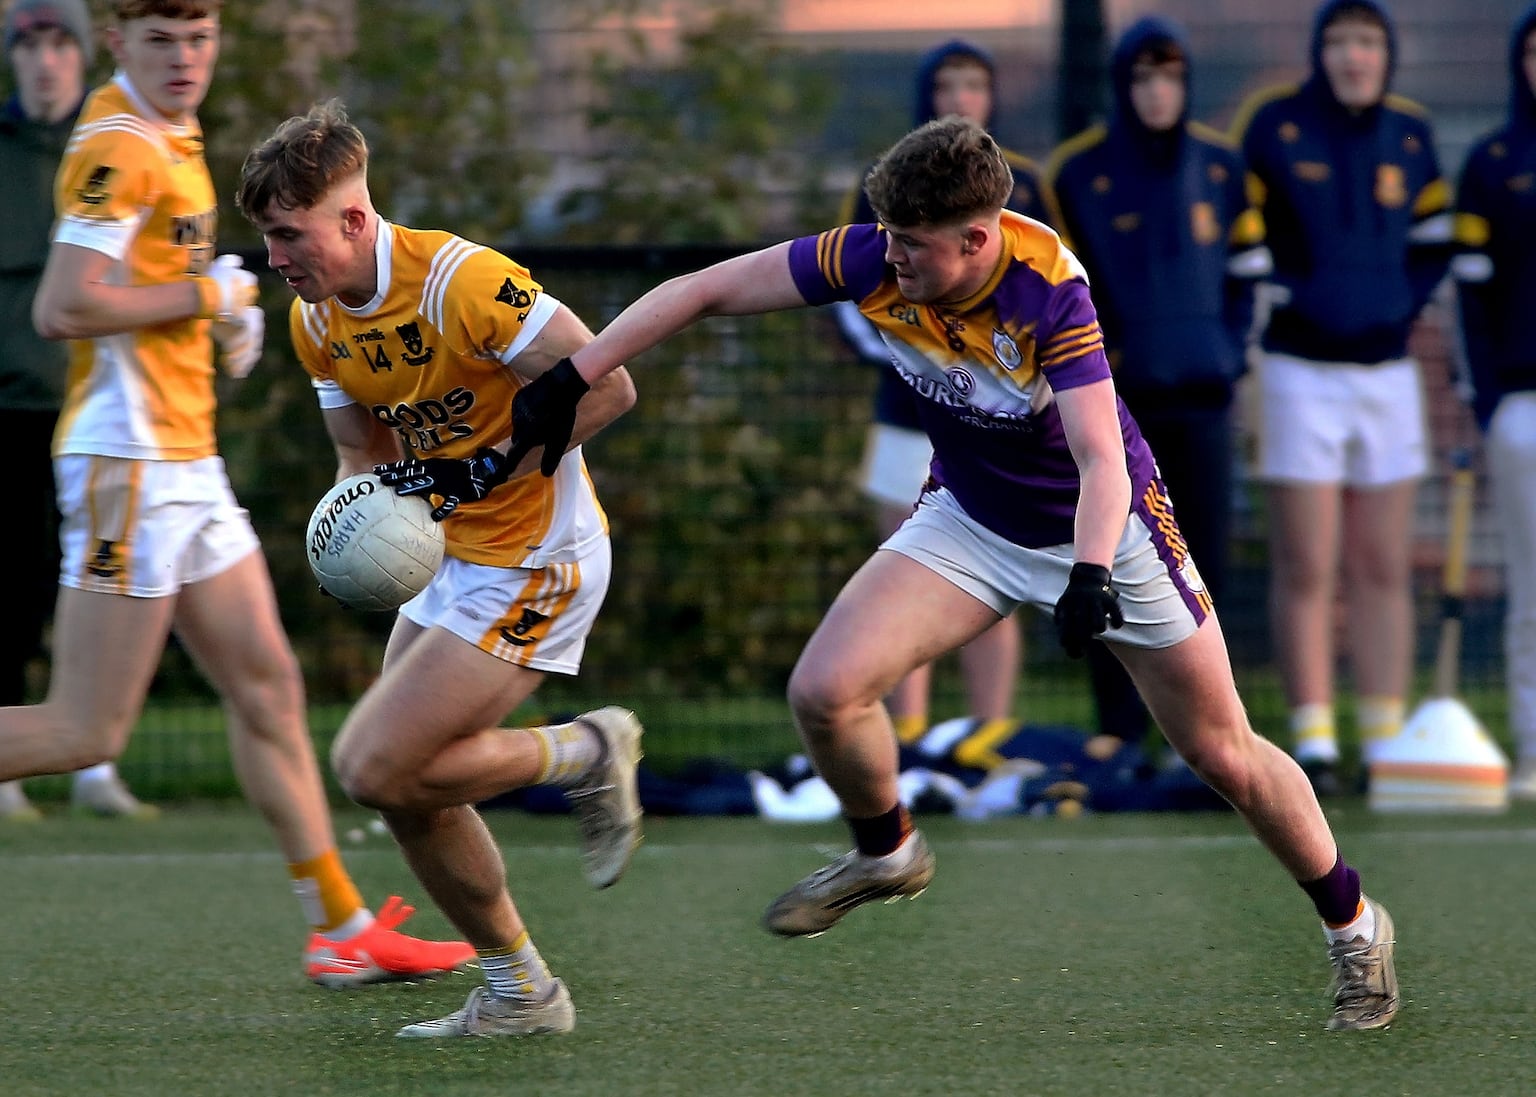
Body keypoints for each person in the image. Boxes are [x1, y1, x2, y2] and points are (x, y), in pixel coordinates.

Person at [505, 117, 1401, 1032]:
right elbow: (700, 291)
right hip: (971, 519)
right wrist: (574, 375)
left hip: (1109, 530)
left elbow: (1101, 459)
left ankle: (1355, 926)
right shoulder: (870, 257)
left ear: (979, 239)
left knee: (1223, 754)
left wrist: (1090, 573)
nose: (891, 263)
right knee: (824, 691)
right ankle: (886, 851)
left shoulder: (1049, 288)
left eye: (914, 247)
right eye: (886, 238)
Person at [13, 0, 473, 986]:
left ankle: (339, 925)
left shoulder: (171, 137)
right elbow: (62, 306)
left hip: (186, 460)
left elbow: (135, 293)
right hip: (128, 462)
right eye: (161, 40)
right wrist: (209, 297)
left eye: (200, 36)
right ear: (118, 43)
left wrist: (213, 327)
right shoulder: (120, 146)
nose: (185, 58)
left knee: (268, 686)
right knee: (84, 728)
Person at [236, 99, 643, 1040]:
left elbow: (610, 385)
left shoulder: (463, 283)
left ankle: (583, 752)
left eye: (287, 233)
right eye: (265, 236)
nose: (275, 257)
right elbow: (359, 450)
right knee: (411, 784)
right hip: (448, 560)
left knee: (372, 764)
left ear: (353, 218)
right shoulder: (316, 318)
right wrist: (359, 525)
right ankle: (521, 992)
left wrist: (494, 464)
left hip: (538, 555)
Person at [1233, 0, 1454, 794]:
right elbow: (1240, 231)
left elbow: (1436, 242)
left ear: (1386, 53)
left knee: (1382, 562)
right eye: (1340, 41)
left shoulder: (1411, 132)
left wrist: (1401, 304)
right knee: (1308, 560)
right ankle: (1314, 743)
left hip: (1389, 375)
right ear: (1320, 51)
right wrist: (1290, 295)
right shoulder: (1274, 125)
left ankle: (1386, 739)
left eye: (1367, 42)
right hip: (1297, 373)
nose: (1354, 56)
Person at [1046, 16, 1269, 746]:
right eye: (1142, 78)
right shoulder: (1076, 173)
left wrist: (1228, 353)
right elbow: (1064, 296)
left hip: (1204, 401)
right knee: (1111, 566)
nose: (1156, 92)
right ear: (1122, 85)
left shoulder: (1221, 165)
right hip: (1120, 412)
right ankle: (1119, 731)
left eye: (1169, 77)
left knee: (1203, 575)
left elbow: (1247, 279)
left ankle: (1208, 736)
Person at [835, 40, 1033, 756]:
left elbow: (1056, 304)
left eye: (974, 84)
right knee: (903, 566)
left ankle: (986, 734)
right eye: (946, 84)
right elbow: (849, 298)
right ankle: (909, 736)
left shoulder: (1028, 190)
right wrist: (920, 353)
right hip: (907, 412)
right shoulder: (881, 189)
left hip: (996, 426)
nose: (960, 97)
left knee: (999, 569)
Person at [0, 0, 158, 821]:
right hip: (13, 415)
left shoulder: (115, 145)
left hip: (103, 415)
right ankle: (14, 775)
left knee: (103, 585)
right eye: (31, 45)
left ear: (82, 53)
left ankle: (97, 767)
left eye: (60, 42)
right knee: (13, 589)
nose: (46, 60)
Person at [1453, 3, 1536, 798]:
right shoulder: (1492, 162)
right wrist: (1484, 403)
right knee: (1531, 587)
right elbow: (1471, 305)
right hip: (1523, 404)